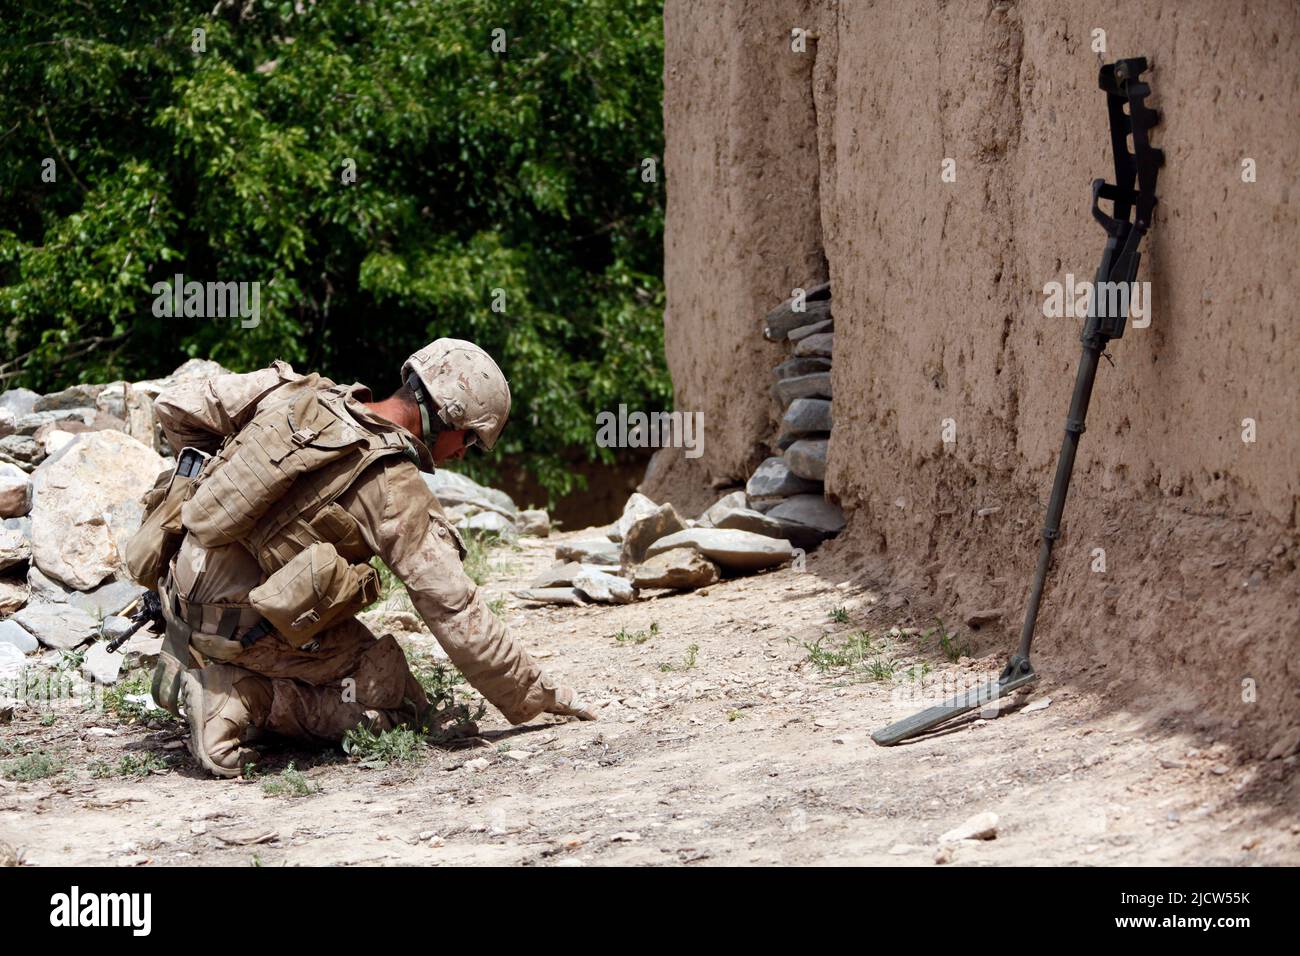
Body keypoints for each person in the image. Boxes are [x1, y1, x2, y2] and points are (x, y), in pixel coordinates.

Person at [131, 338, 595, 779]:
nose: (462, 455)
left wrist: (224, 480)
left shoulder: (292, 393)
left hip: (174, 594)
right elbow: (454, 610)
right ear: (447, 419)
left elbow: (173, 406)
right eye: (470, 441)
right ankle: (240, 698)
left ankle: (204, 667)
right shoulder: (394, 487)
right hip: (243, 628)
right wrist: (538, 694)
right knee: (397, 701)